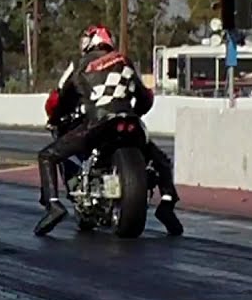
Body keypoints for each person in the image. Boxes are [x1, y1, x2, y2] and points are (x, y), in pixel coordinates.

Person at [35, 24, 184, 237]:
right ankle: (167, 205)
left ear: (90, 41)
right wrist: (135, 113)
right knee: (161, 160)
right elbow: (146, 97)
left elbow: (60, 97)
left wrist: (55, 118)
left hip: (97, 122)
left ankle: (53, 206)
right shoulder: (125, 61)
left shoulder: (78, 64)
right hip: (130, 122)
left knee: (47, 155)